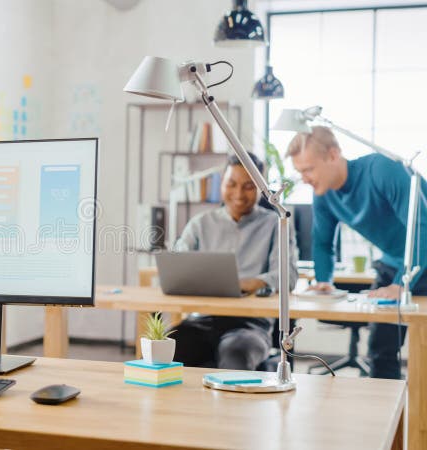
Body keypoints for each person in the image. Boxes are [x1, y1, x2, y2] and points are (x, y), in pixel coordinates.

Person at [287, 126, 427, 379]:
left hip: (420, 260)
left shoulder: (383, 170)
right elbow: (322, 243)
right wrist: (323, 281)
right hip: (393, 267)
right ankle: (388, 418)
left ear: (333, 154)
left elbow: (421, 227)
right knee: (380, 351)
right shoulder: (324, 196)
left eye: (308, 169)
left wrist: (401, 284)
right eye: (300, 172)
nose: (305, 178)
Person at [171, 152, 298, 370]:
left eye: (249, 186)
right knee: (168, 347)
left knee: (235, 354)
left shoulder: (276, 224)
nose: (238, 193)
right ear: (222, 184)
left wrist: (252, 282)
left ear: (262, 189)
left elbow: (288, 276)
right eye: (231, 184)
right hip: (202, 319)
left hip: (250, 324)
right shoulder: (200, 224)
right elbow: (176, 266)